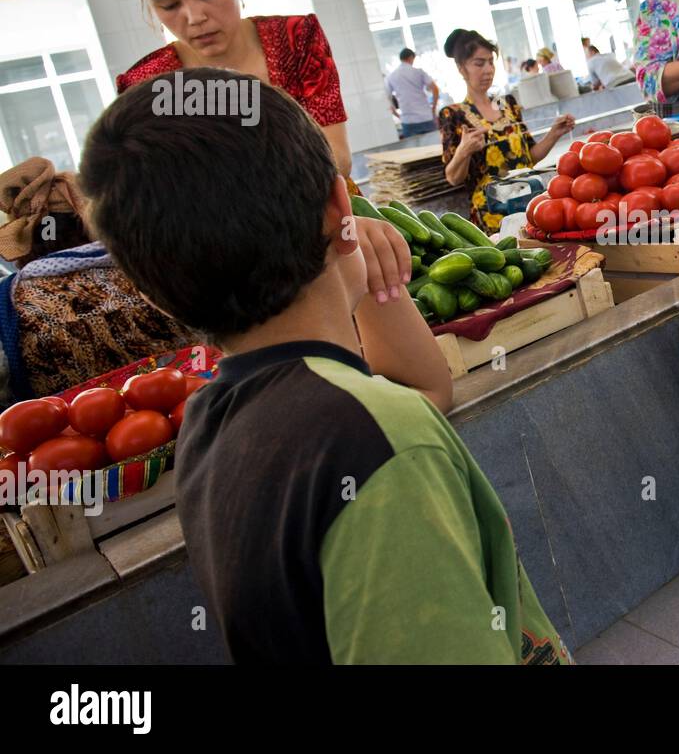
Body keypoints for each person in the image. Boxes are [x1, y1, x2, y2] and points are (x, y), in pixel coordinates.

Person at [79, 70, 571, 664]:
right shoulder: (379, 439)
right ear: (344, 204)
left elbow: (420, 391)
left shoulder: (212, 418)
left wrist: (356, 256)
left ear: (155, 295)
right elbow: (394, 421)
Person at [116, 0, 358, 187]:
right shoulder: (147, 85)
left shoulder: (295, 39)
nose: (194, 17)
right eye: (169, 5)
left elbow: (337, 158)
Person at [0, 158, 192, 406]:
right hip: (202, 422)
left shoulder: (7, 306)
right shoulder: (163, 269)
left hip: (78, 442)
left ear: (24, 240)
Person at [439, 30, 574, 234]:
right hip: (492, 216)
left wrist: (555, 133)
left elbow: (530, 157)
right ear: (461, 68)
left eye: (490, 62)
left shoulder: (507, 104)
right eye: (479, 63)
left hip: (531, 201)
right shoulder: (454, 114)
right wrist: (463, 151)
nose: (488, 70)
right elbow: (453, 177)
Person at [385, 48, 439, 140]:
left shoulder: (391, 76)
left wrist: (398, 115)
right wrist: (433, 109)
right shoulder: (418, 72)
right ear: (411, 58)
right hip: (425, 117)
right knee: (435, 147)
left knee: (415, 151)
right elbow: (435, 89)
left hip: (408, 120)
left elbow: (387, 98)